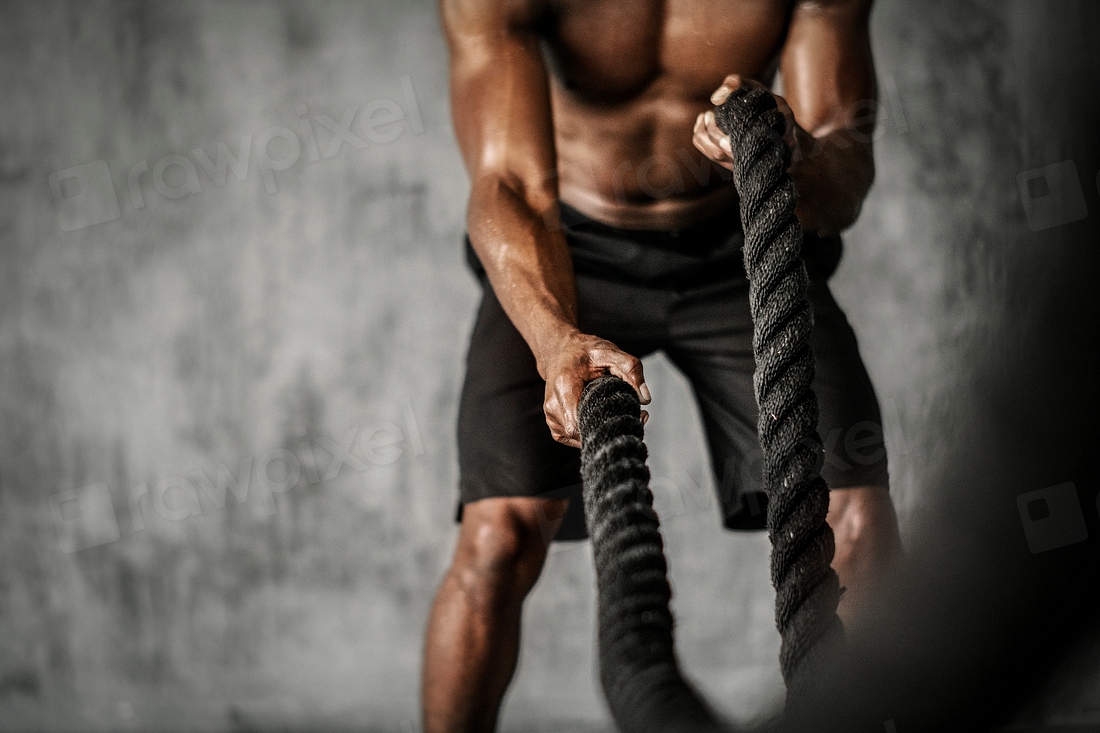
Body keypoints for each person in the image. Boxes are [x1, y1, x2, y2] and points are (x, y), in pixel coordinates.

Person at [424, 1, 904, 730]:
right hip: (564, 247)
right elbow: (511, 185)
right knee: (499, 535)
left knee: (858, 522)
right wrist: (553, 337)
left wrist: (790, 151)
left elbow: (845, 172)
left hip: (741, 245)